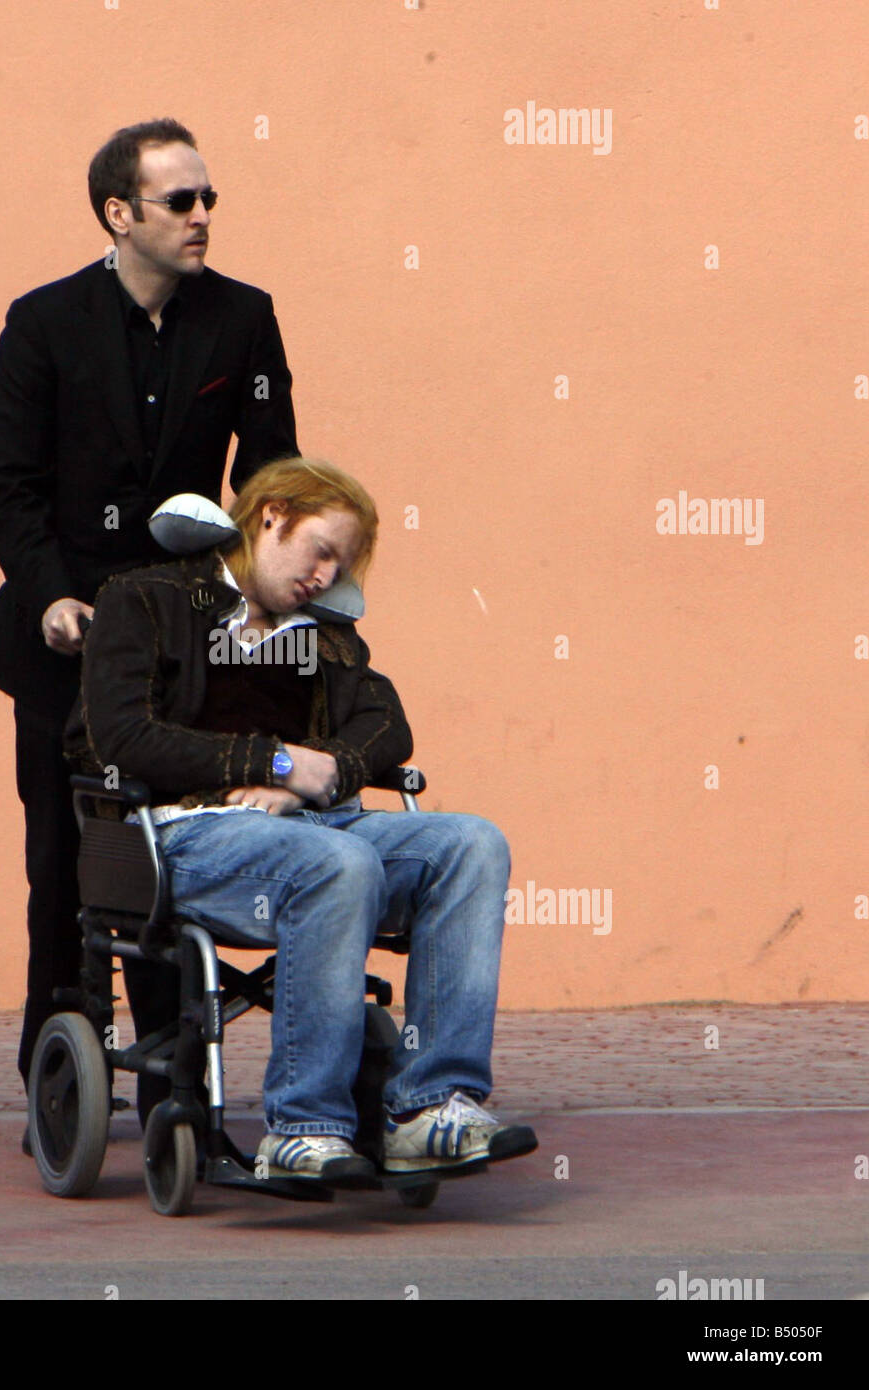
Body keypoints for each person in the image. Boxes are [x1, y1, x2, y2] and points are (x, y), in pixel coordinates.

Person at [0, 119, 300, 1142]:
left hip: (185, 638)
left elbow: (269, 474)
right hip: (65, 638)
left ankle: (175, 1091)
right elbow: (9, 485)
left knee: (176, 857)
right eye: (180, 200)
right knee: (67, 865)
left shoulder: (243, 319)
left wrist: (263, 593)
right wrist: (51, 594)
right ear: (119, 213)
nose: (203, 216)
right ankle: (61, 1088)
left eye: (208, 198)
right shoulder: (43, 323)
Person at [64, 458, 537, 1179]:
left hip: (311, 829)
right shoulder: (147, 599)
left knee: (473, 844)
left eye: (340, 565)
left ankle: (431, 1107)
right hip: (184, 835)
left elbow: (387, 726)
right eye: (321, 551)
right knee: (338, 863)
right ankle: (303, 1129)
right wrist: (276, 762)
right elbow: (121, 738)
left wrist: (314, 779)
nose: (326, 575)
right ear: (272, 515)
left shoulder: (321, 633)